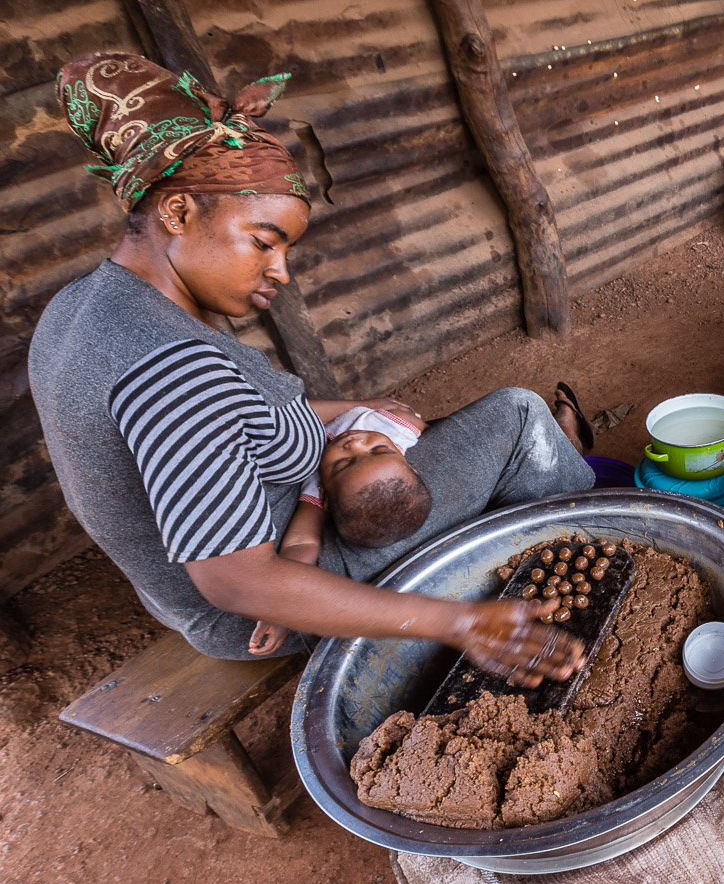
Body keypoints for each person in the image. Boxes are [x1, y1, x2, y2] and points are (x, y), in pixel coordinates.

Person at [30, 52, 592, 684]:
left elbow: (232, 422)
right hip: (287, 589)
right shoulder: (172, 371)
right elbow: (239, 581)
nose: (280, 272)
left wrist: (342, 411)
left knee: (431, 432)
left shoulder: (82, 308)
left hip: (268, 546)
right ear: (178, 212)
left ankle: (538, 505)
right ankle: (590, 555)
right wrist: (456, 622)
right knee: (517, 420)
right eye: (264, 242)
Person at [247, 405, 433, 655]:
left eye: (343, 464)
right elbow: (414, 420)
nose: (356, 444)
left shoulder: (317, 486)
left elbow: (300, 543)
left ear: (324, 497)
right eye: (378, 450)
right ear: (411, 466)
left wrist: (279, 610)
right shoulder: (397, 430)